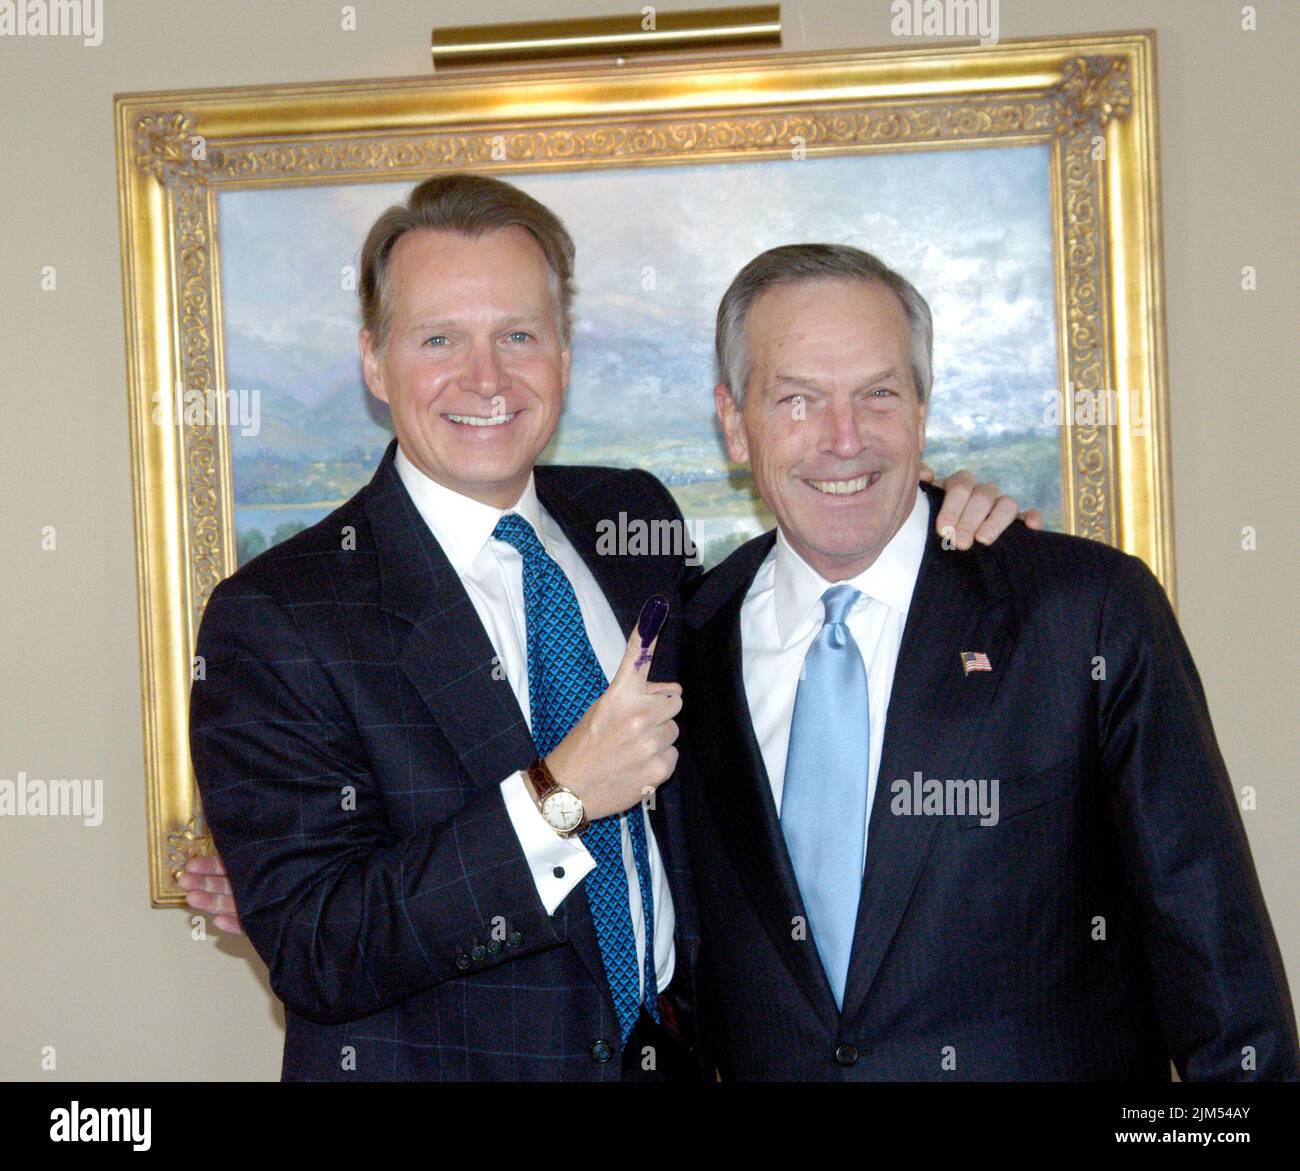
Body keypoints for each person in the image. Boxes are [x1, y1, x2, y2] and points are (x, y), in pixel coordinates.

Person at [185, 175, 1024, 1081]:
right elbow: (322, 947)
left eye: (518, 335)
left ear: (563, 353)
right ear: (375, 363)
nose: (486, 378)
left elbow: (763, 656)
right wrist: (560, 795)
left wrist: (921, 507)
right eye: (439, 339)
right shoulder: (276, 616)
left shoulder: (633, 522)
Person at [678, 243, 1300, 1080]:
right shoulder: (685, 642)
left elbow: (1229, 999)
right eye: (797, 399)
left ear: (923, 409)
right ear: (732, 420)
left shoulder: (1083, 612)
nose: (845, 437)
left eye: (880, 394)